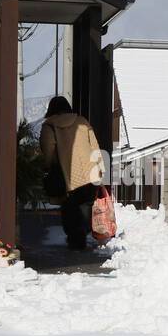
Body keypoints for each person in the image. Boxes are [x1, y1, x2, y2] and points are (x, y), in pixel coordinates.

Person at [40, 96, 102, 251]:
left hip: (67, 175)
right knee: (86, 204)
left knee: (69, 208)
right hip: (89, 172)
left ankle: (76, 239)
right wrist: (100, 167)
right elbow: (94, 144)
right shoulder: (82, 121)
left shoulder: (49, 126)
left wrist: (47, 166)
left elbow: (48, 150)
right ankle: (82, 234)